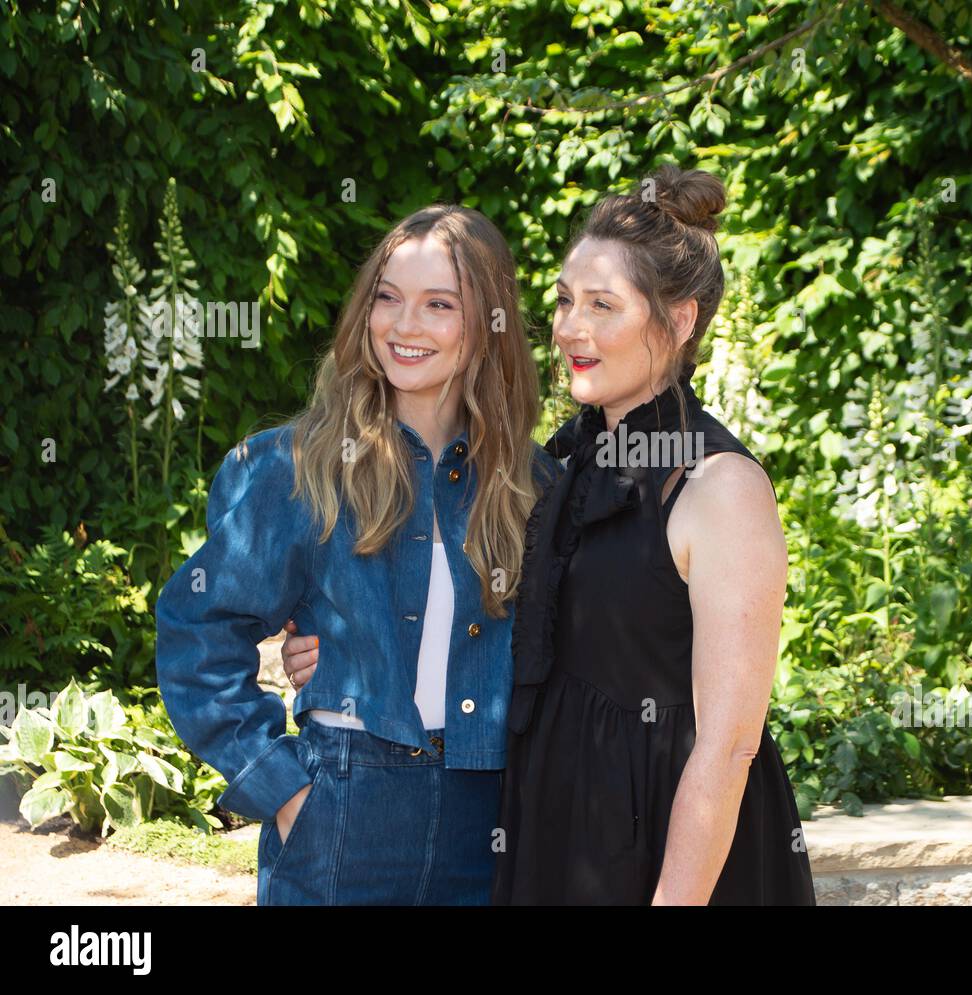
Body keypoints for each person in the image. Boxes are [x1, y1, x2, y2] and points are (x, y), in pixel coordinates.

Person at [284, 166, 816, 905]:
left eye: (603, 305)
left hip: (668, 857)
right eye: (566, 301)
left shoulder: (718, 487)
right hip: (558, 835)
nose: (570, 328)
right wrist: (329, 641)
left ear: (680, 320)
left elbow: (729, 747)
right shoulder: (557, 469)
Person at [155, 204, 554, 905]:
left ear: (489, 324)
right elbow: (198, 630)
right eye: (388, 298)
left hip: (488, 813)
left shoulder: (530, 481)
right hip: (343, 807)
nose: (404, 326)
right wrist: (282, 789)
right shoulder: (299, 467)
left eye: (439, 305)